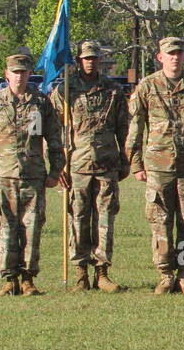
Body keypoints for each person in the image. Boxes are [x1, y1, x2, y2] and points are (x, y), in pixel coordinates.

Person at [128, 36, 184, 294]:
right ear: (160, 57)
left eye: (179, 53)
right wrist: (135, 163)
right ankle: (165, 274)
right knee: (160, 220)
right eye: (170, 54)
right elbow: (135, 126)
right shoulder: (147, 87)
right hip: (158, 165)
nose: (175, 58)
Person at [51, 40, 130, 291]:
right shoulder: (65, 90)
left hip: (107, 164)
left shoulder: (113, 90)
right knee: (79, 219)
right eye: (86, 58)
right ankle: (80, 273)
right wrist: (58, 164)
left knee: (105, 219)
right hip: (77, 165)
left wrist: (126, 159)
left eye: (94, 58)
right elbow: (55, 130)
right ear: (78, 60)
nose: (91, 62)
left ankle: (102, 273)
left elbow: (123, 128)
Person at [0, 52, 63, 296]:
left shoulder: (41, 102)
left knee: (32, 228)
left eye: (24, 72)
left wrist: (55, 170)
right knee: (5, 227)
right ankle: (9, 279)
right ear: (7, 74)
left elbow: (54, 138)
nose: (19, 76)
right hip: (3, 176)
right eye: (15, 72)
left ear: (30, 74)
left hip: (33, 176)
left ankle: (29, 279)